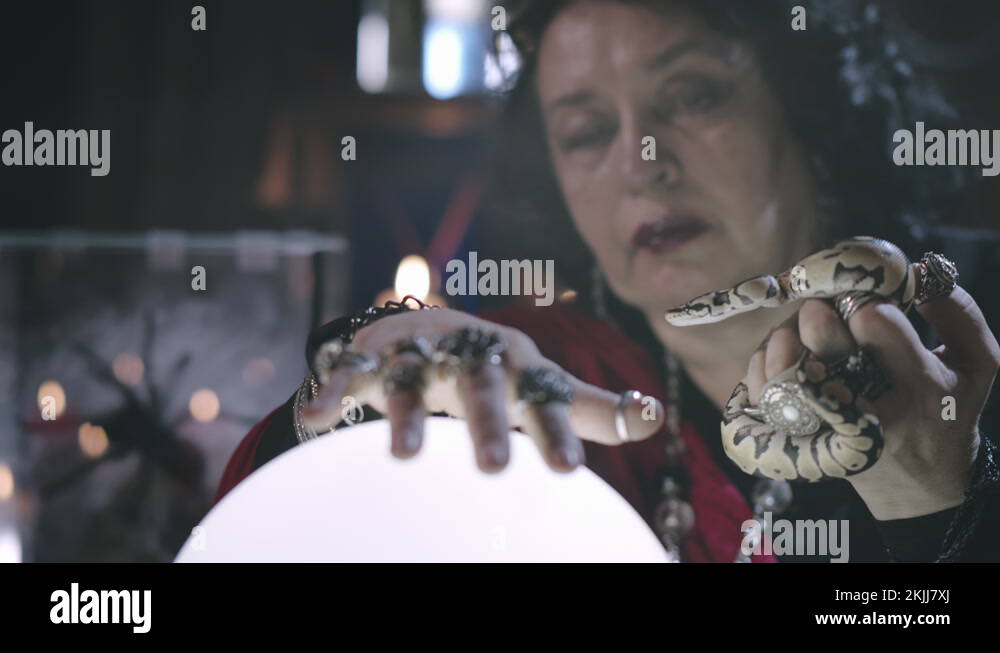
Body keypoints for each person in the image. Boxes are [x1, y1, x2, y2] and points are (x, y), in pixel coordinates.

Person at [215, 0, 1000, 562]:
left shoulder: (967, 323)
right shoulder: (546, 380)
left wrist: (941, 512)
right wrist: (344, 409)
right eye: (587, 132)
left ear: (812, 120)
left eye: (693, 95)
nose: (641, 162)